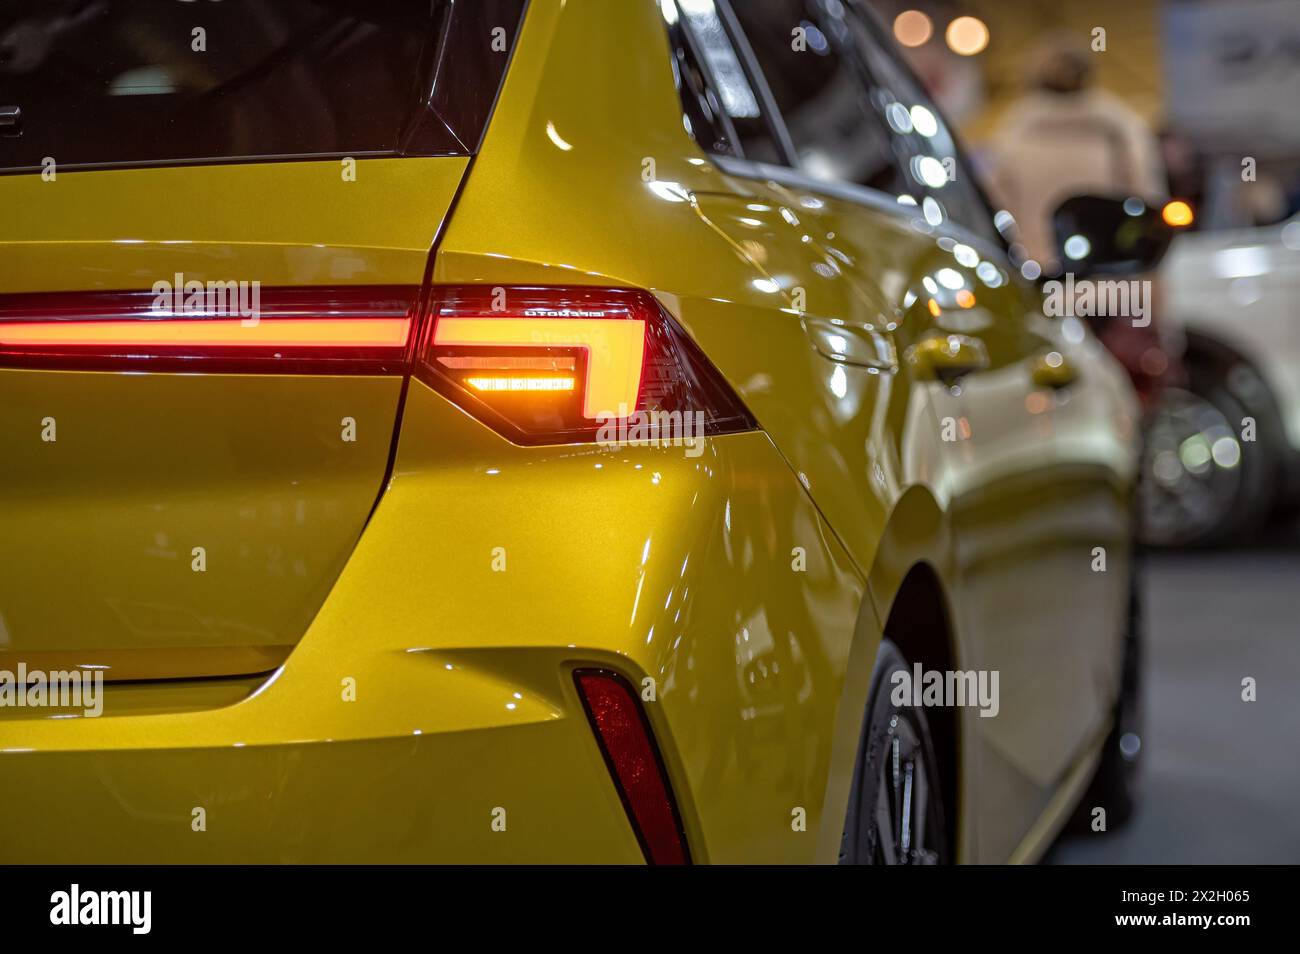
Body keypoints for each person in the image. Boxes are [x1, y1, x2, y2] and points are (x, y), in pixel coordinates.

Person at [986, 33, 1168, 267]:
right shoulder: (1122, 132)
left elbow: (997, 215)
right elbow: (1148, 204)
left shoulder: (1011, 140)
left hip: (1040, 278)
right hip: (1115, 276)